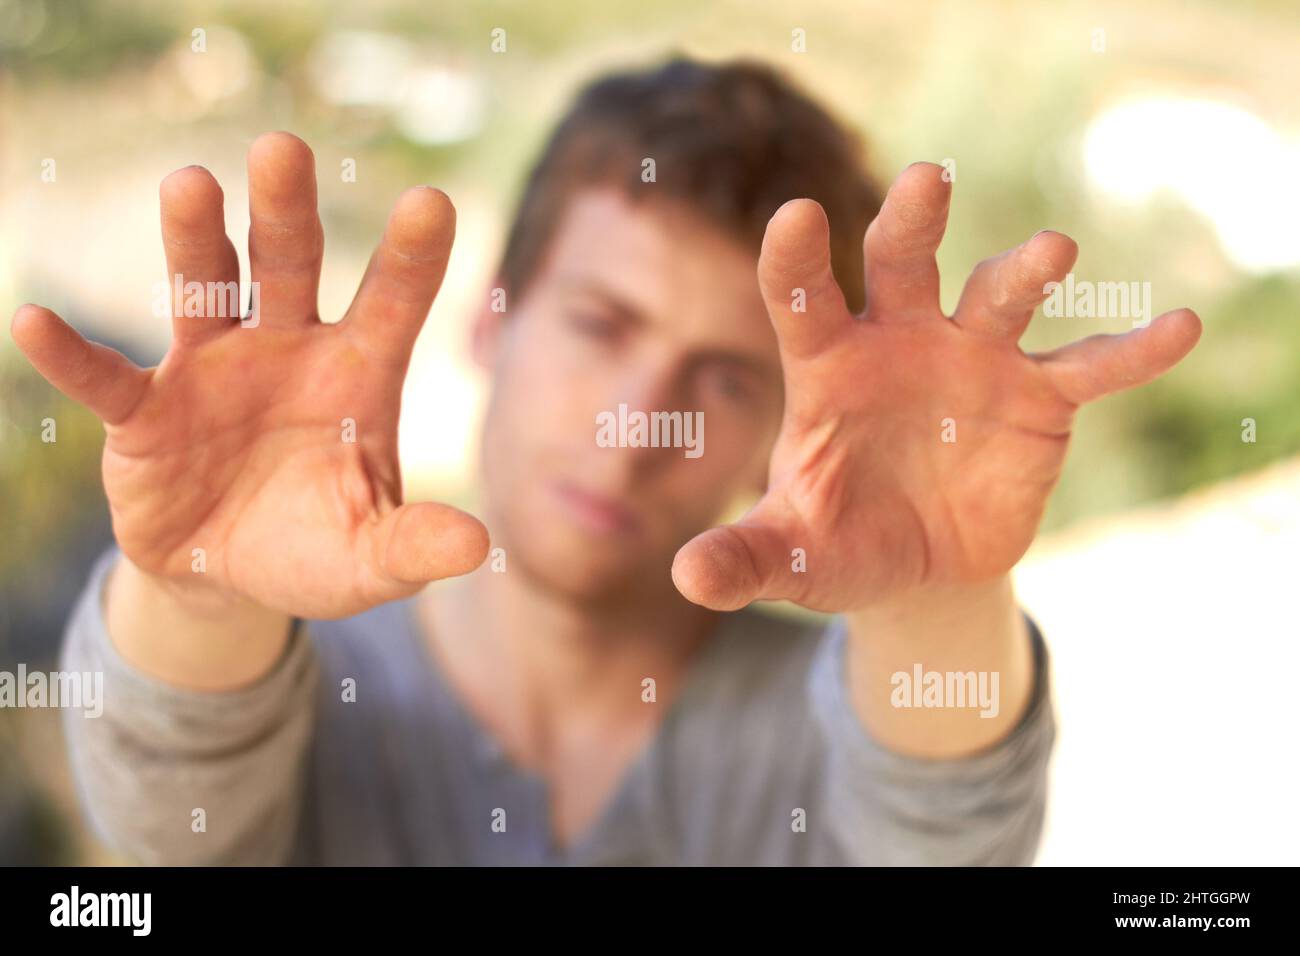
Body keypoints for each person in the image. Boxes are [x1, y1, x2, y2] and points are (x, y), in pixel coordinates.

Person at [10, 57, 1200, 865]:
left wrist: (942, 589)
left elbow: (950, 841)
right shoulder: (299, 675)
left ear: (787, 425)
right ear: (491, 317)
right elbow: (168, 807)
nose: (641, 420)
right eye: (599, 325)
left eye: (727, 376)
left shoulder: (819, 719)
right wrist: (198, 585)